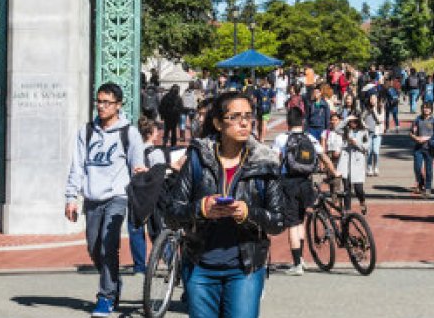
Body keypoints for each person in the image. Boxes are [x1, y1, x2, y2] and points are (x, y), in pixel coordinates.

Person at [165, 90, 284, 318]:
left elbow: (278, 221)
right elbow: (171, 212)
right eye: (235, 116)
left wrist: (248, 213)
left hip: (245, 269)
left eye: (248, 116)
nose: (244, 123)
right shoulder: (198, 159)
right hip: (200, 266)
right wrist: (200, 209)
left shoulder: (265, 163)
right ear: (218, 123)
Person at [65, 82, 146, 317]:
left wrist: (140, 178)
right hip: (92, 197)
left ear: (118, 106)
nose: (101, 106)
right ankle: (113, 281)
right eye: (99, 101)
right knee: (94, 247)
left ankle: (106, 297)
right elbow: (77, 167)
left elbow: (137, 166)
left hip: (117, 197)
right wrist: (71, 197)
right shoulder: (86, 131)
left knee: (109, 245)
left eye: (107, 102)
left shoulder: (128, 133)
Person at [271, 109, 336, 276]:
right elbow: (324, 157)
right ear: (302, 122)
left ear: (288, 122)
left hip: (289, 183)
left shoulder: (281, 139)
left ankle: (297, 263)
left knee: (292, 223)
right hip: (306, 182)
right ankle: (301, 259)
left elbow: (273, 161)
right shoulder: (310, 138)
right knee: (300, 220)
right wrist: (334, 173)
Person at [128, 117, 168, 275]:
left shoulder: (133, 151)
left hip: (136, 194)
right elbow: (160, 175)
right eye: (156, 130)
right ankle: (170, 260)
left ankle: (139, 266)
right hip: (153, 196)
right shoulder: (156, 152)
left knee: (136, 229)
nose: (158, 133)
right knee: (158, 230)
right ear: (151, 134)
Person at [338, 114, 370, 214]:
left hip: (357, 161)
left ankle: (362, 202)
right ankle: (347, 210)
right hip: (346, 162)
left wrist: (356, 144)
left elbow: (366, 147)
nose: (353, 123)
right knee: (347, 188)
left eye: (355, 121)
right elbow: (336, 129)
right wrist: (346, 119)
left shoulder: (364, 132)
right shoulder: (346, 131)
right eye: (351, 122)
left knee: (358, 188)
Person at [410, 101, 434, 196]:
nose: (426, 109)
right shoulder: (418, 119)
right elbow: (411, 132)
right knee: (417, 168)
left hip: (429, 149)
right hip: (418, 148)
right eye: (424, 107)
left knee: (429, 169)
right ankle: (421, 182)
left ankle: (428, 187)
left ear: (431, 110)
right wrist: (416, 138)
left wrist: (426, 138)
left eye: (428, 108)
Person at [364, 94, 385, 177]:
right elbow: (362, 118)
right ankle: (369, 168)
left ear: (377, 100)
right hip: (368, 133)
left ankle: (376, 167)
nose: (372, 100)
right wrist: (365, 125)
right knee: (369, 152)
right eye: (371, 99)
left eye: (374, 98)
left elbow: (380, 120)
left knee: (375, 151)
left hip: (377, 133)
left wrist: (374, 110)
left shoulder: (381, 109)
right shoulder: (366, 109)